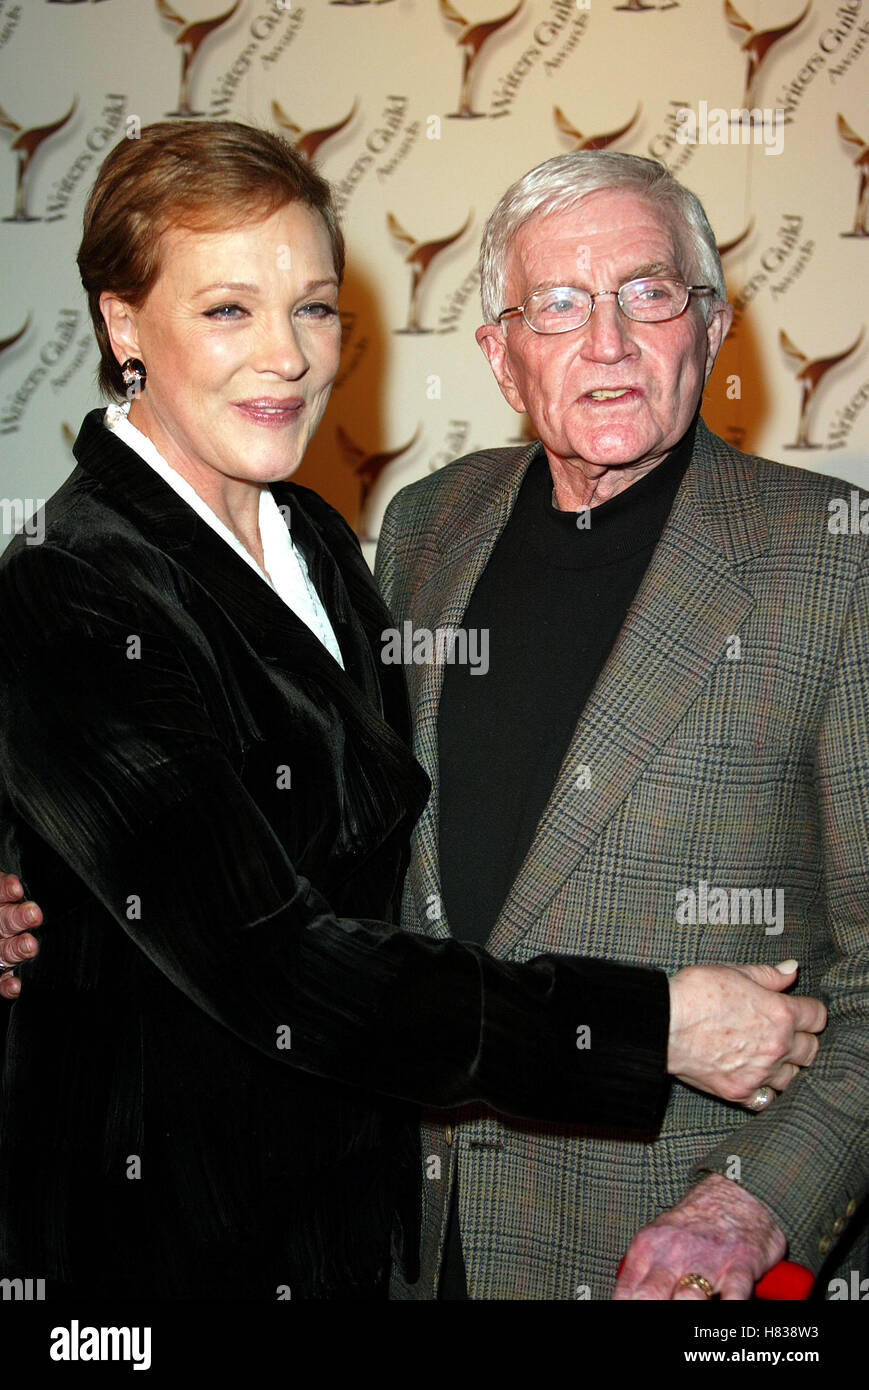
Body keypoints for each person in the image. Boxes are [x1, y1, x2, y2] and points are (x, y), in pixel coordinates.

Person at [0, 123, 823, 1300]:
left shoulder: (330, 540)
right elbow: (274, 964)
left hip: (355, 1228)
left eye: (315, 308)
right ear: (123, 326)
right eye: (229, 310)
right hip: (158, 1250)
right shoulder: (74, 579)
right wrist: (642, 1027)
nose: (286, 358)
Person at [375, 150, 868, 1301]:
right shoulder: (424, 527)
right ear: (500, 356)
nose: (604, 343)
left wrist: (752, 1201)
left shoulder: (834, 560)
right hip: (416, 1231)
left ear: (709, 326)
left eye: (645, 293)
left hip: (669, 1248)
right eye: (554, 306)